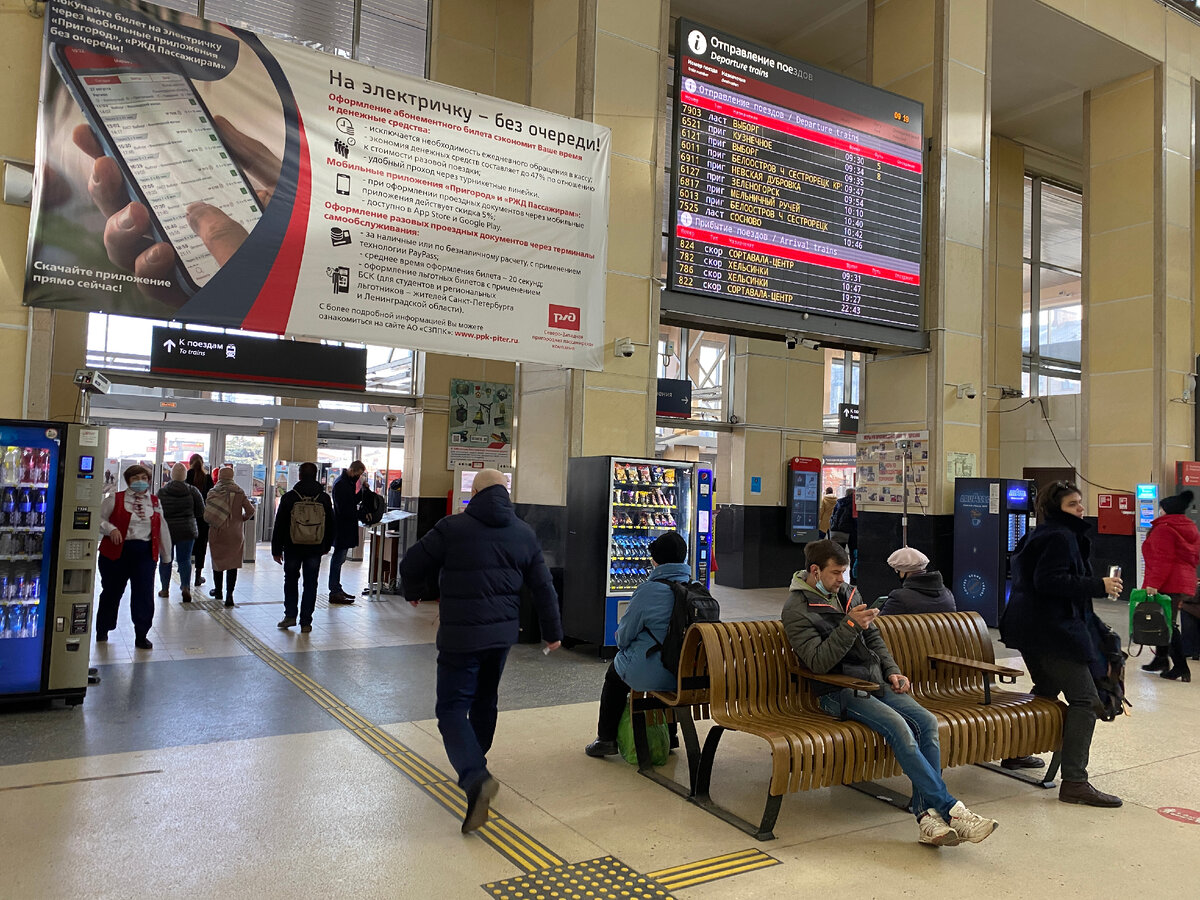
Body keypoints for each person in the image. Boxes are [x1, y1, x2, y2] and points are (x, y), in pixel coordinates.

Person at [784, 540, 998, 846]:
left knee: (926, 722)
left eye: (844, 572)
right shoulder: (796, 610)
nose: (841, 579)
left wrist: (892, 670)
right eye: (835, 573)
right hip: (838, 690)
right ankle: (951, 810)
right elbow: (818, 663)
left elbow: (875, 639)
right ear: (815, 571)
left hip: (875, 681)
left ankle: (927, 818)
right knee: (899, 727)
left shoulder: (848, 593)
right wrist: (848, 626)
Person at [398, 468, 562, 835]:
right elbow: (543, 586)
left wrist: (413, 591)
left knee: (452, 708)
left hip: (460, 637)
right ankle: (479, 762)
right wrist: (553, 632)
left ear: (474, 494)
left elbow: (412, 562)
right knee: (486, 700)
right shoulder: (524, 533)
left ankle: (475, 776)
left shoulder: (452, 528)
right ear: (505, 493)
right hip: (501, 637)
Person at [999, 481, 1124, 808]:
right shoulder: (1062, 537)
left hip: (1028, 628)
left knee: (1045, 688)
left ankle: (1015, 752)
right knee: (1087, 701)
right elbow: (1049, 581)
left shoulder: (1038, 534)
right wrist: (1100, 584)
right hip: (1052, 631)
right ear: (1058, 509)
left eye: (1080, 503)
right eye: (1073, 505)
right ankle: (1075, 782)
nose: (1081, 509)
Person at [881, 546, 1041, 771]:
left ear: (902, 572)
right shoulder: (946, 593)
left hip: (913, 675)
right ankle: (1013, 753)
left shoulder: (900, 597)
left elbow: (878, 628)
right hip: (947, 671)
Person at [584, 531, 689, 758]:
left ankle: (606, 738)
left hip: (656, 672)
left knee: (615, 675)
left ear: (656, 560)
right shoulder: (697, 588)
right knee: (671, 668)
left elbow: (623, 637)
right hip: (688, 675)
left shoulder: (648, 591)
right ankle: (670, 737)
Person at [96, 464, 172, 650]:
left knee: (144, 594)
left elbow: (162, 527)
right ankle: (103, 628)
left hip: (144, 552)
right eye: (135, 478)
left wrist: (167, 555)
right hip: (116, 551)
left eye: (144, 478)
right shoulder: (115, 498)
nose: (140, 482)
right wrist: (110, 529)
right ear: (128, 481)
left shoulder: (154, 502)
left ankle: (141, 634)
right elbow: (96, 519)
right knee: (112, 592)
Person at [1140, 490, 1198, 683]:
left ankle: (1181, 667)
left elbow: (1162, 560)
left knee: (1167, 625)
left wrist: (1153, 584)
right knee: (1163, 621)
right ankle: (1161, 659)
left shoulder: (1164, 529)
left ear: (1167, 510)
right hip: (1182, 581)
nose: (1159, 511)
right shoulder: (1190, 528)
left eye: (1161, 508)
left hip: (1168, 582)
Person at [271, 462, 333, 633]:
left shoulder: (290, 497)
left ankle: (290, 616)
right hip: (315, 547)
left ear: (299, 475)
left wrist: (276, 549)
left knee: (291, 580)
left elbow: (280, 524)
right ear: (316, 476)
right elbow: (331, 524)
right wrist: (326, 545)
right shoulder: (324, 498)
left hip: (292, 546)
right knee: (311, 583)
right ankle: (306, 622)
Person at [206, 466, 255, 608]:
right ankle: (229, 595)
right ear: (232, 476)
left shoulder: (213, 492)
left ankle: (218, 591)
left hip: (217, 531)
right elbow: (251, 510)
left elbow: (208, 512)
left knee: (218, 561)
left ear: (220, 477)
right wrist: (241, 519)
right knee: (232, 564)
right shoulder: (239, 492)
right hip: (235, 533)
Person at [156, 463, 205, 603]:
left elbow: (157, 510)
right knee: (185, 560)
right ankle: (185, 588)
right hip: (187, 530)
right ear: (184, 475)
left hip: (167, 530)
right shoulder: (192, 491)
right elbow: (201, 511)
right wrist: (189, 516)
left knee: (166, 559)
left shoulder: (162, 491)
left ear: (172, 475)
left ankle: (165, 589)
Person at [328, 460, 366, 604]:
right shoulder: (342, 484)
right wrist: (360, 515)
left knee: (340, 559)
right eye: (359, 474)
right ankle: (334, 591)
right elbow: (345, 509)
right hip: (342, 527)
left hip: (344, 527)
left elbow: (351, 502)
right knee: (338, 560)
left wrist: (362, 492)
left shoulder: (346, 483)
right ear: (353, 470)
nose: (359, 477)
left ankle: (337, 588)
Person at [878, 547, 956, 615]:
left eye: (897, 571)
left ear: (903, 572)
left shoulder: (899, 598)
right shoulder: (948, 594)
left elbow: (881, 626)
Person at [185, 453, 213, 588]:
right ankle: (197, 576)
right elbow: (212, 497)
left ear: (190, 463)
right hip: (203, 519)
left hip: (188, 518)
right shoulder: (207, 478)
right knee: (201, 547)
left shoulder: (186, 476)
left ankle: (185, 577)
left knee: (187, 546)